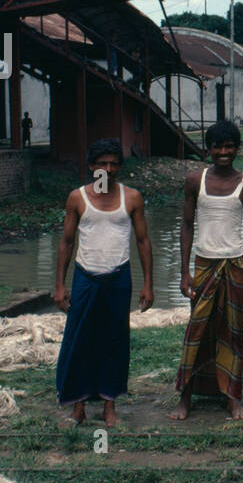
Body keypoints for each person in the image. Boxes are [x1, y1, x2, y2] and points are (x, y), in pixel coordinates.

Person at [53, 138, 154, 427]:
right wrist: (60, 286)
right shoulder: (77, 198)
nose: (107, 169)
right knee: (79, 340)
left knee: (115, 341)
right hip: (85, 277)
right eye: (101, 164)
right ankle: (78, 407)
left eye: (113, 163)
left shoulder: (132, 198)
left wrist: (149, 284)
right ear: (90, 167)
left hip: (119, 278)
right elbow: (66, 242)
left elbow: (143, 240)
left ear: (120, 167)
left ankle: (110, 407)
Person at [172, 120, 243, 421]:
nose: (224, 152)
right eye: (218, 147)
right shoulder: (193, 180)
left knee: (232, 332)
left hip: (234, 264)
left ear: (237, 149)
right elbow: (186, 225)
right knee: (197, 330)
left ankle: (232, 397)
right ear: (208, 149)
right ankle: (185, 398)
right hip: (204, 264)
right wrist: (184, 271)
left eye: (229, 146)